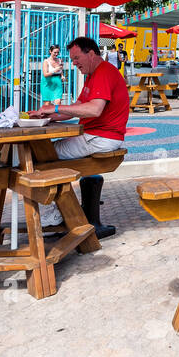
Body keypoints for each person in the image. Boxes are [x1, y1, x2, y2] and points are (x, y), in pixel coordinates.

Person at [36, 36, 129, 239]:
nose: (74, 63)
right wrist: (48, 114)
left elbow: (94, 110)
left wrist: (56, 107)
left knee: (42, 158)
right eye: (72, 58)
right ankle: (61, 212)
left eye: (77, 58)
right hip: (95, 135)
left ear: (92, 54)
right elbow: (78, 108)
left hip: (101, 137)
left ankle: (54, 216)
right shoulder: (92, 75)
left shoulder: (104, 72)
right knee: (44, 154)